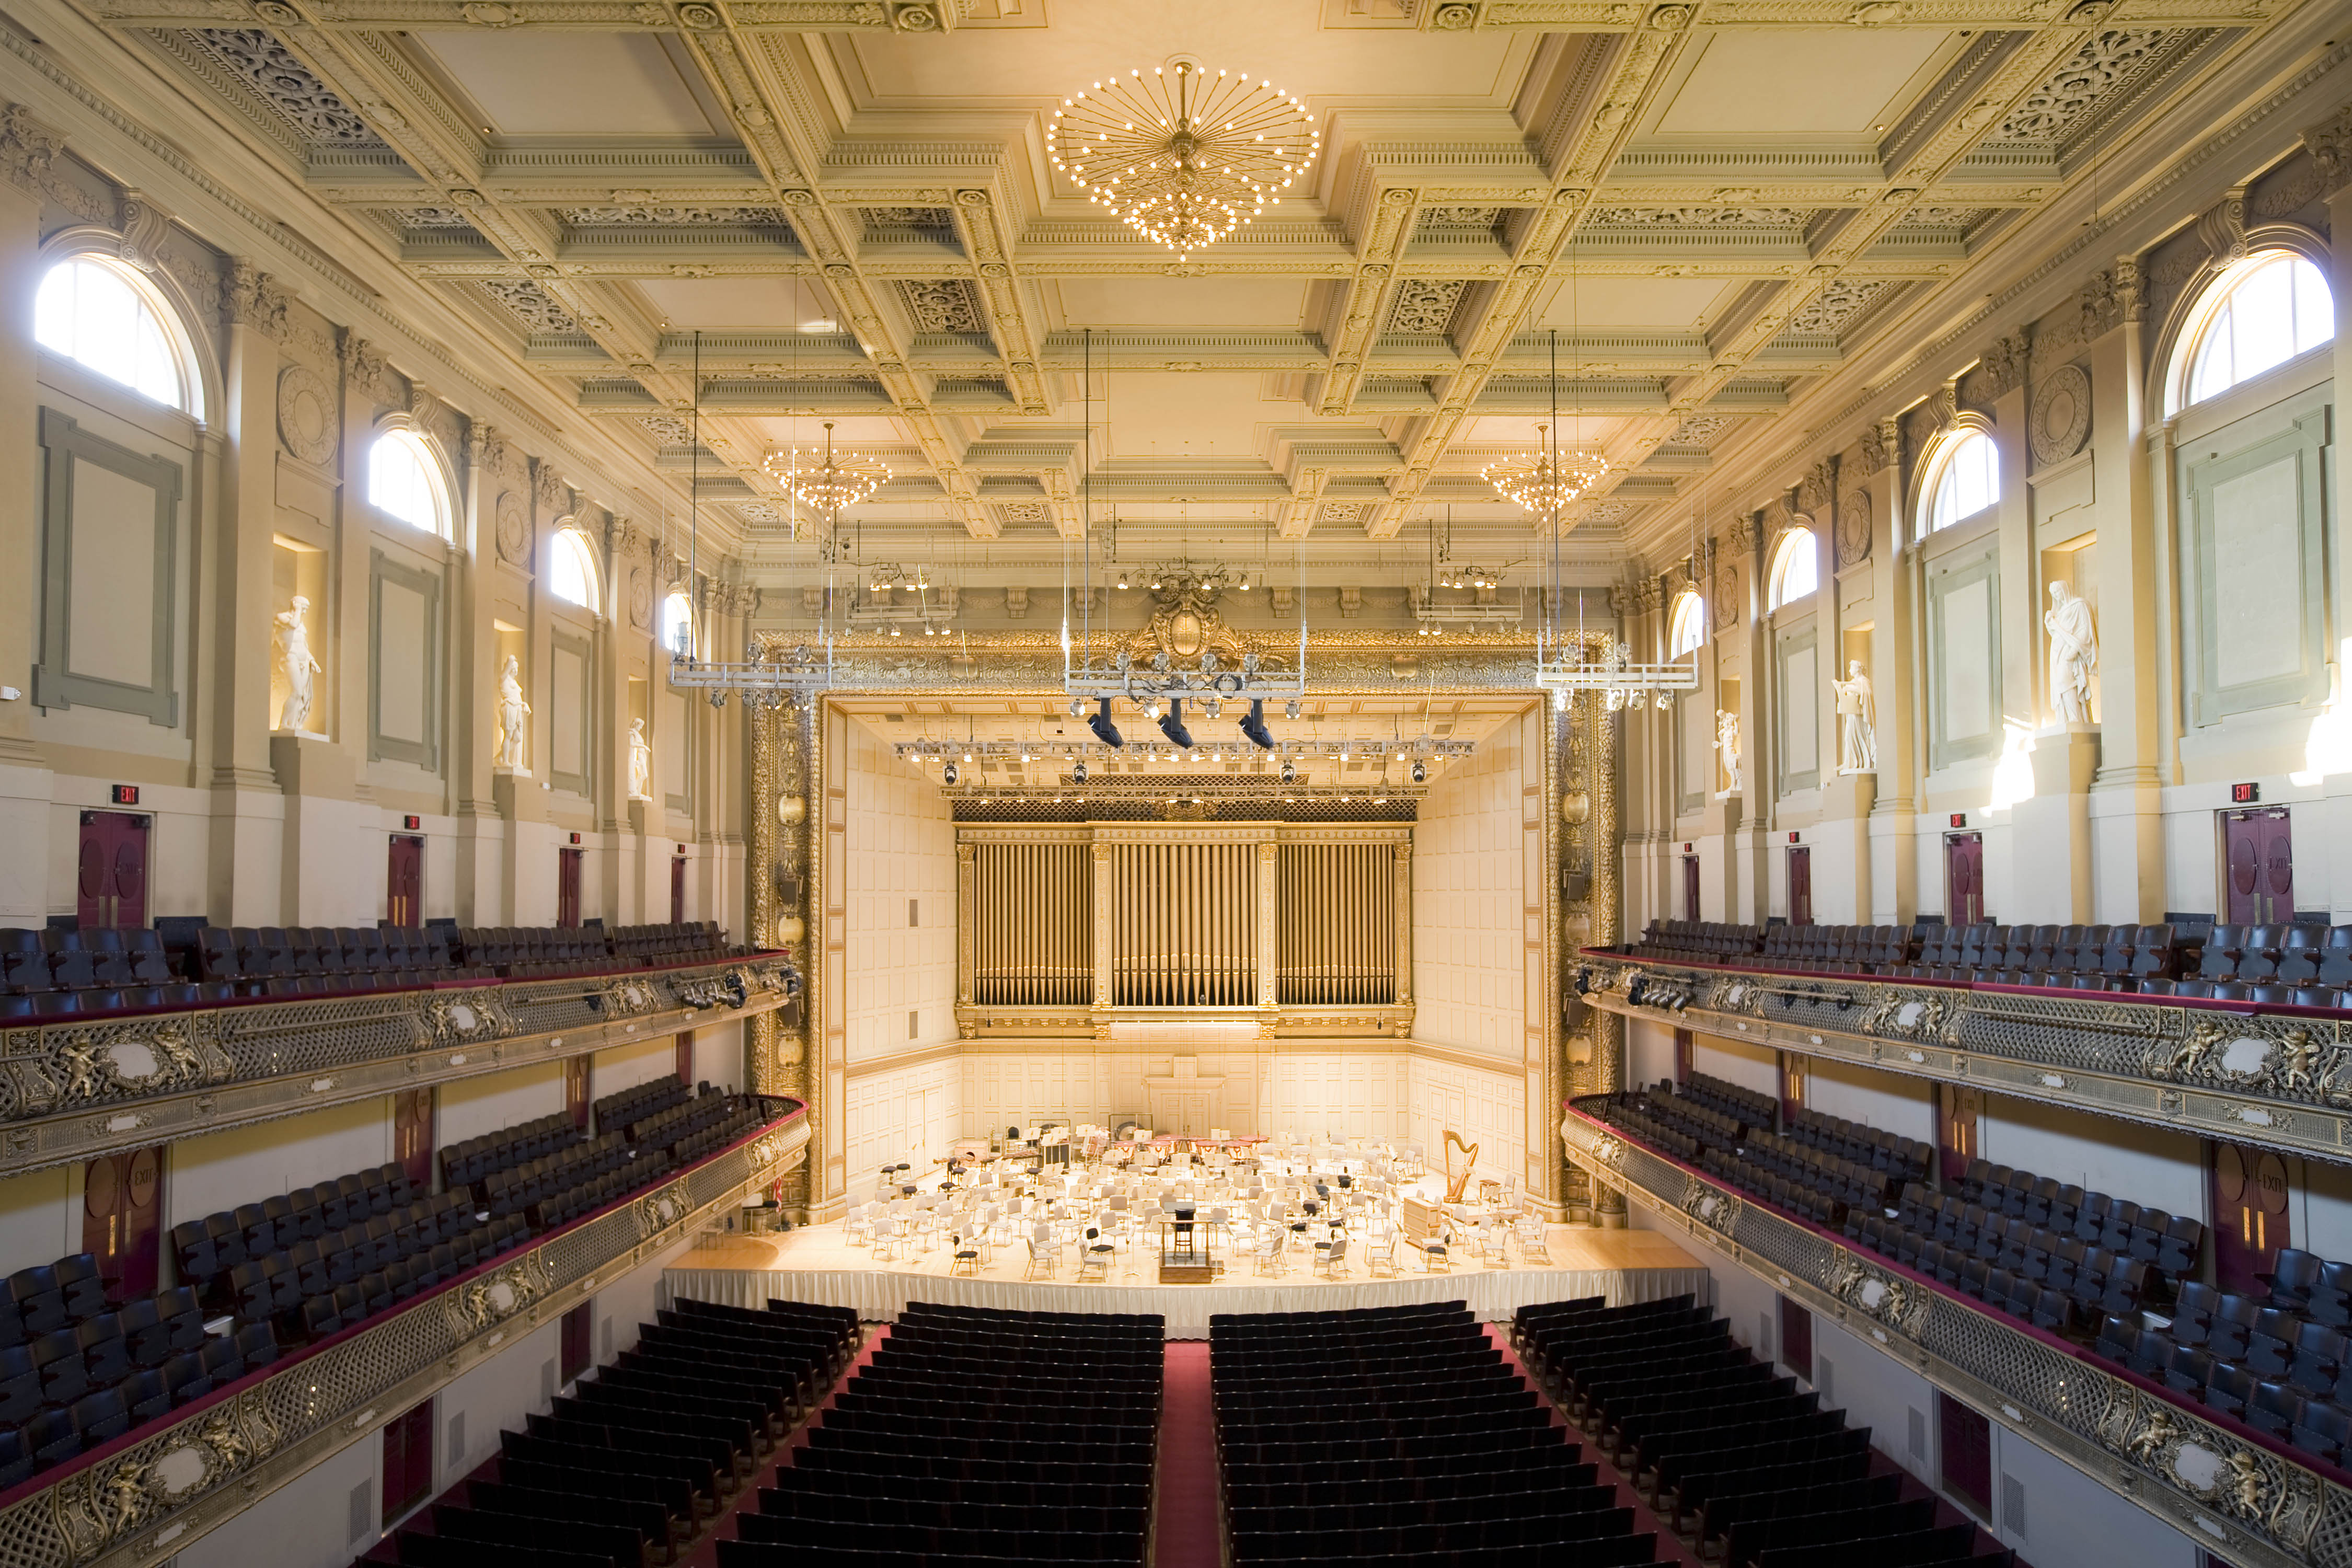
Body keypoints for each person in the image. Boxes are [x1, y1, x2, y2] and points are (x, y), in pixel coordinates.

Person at [2045, 580, 2097, 723]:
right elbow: (2057, 633)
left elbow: (2085, 629)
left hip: (2069, 653)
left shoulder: (2080, 605)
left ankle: (2076, 718)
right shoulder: (2060, 611)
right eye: (2054, 594)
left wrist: (2076, 649)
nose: (2057, 596)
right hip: (2057, 654)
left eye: (2058, 592)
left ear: (2065, 589)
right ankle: (2066, 719)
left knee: (2066, 681)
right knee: (2059, 686)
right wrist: (2049, 623)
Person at [273, 595, 320, 731]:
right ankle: (283, 724)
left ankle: (295, 725)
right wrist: (297, 610)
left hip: (304, 660)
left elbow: (303, 645)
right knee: (297, 692)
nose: (304, 612)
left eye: (306, 609)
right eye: (303, 608)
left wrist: (312, 660)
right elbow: (293, 625)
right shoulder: (282, 618)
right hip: (290, 657)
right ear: (295, 604)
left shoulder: (301, 623)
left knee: (303, 696)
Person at [1833, 659, 1877, 773]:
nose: (1849, 670)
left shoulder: (1864, 681)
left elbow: (1867, 694)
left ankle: (1863, 761)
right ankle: (1849, 762)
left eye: (1851, 668)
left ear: (1858, 669)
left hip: (1860, 716)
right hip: (1852, 715)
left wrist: (1850, 688)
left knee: (1859, 737)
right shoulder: (1853, 682)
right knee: (1848, 737)